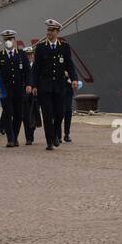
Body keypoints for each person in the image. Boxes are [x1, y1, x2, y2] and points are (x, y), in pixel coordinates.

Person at [31, 19, 76, 150]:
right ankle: (49, 141)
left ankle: (57, 134)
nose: (49, 32)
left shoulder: (64, 47)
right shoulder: (40, 48)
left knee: (59, 113)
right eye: (48, 30)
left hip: (60, 86)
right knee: (47, 114)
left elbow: (70, 65)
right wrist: (34, 85)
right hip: (45, 87)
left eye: (52, 30)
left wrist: (73, 78)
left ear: (57, 32)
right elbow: (36, 69)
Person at [0, 28, 32, 147]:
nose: (8, 41)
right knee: (7, 112)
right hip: (6, 89)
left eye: (10, 39)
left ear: (14, 40)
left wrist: (29, 84)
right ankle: (10, 138)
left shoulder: (21, 54)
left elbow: (28, 71)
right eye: (6, 39)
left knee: (18, 114)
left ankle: (15, 136)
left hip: (19, 89)